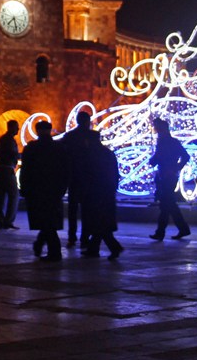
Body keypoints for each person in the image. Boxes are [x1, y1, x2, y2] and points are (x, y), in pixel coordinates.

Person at [19, 121, 69, 261]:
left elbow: (26, 170)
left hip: (37, 190)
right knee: (49, 219)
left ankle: (53, 251)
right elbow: (65, 170)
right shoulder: (58, 148)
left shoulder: (32, 148)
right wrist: (63, 187)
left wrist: (24, 187)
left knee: (45, 220)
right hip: (54, 190)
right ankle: (41, 244)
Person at [58, 110, 99, 247]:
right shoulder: (93, 136)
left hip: (74, 176)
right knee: (87, 209)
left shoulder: (69, 136)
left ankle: (72, 236)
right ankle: (85, 236)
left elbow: (63, 156)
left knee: (73, 209)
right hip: (88, 178)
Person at [149, 117, 190, 240]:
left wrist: (175, 167)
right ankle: (167, 231)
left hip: (167, 176)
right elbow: (185, 156)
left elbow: (161, 156)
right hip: (167, 175)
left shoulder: (165, 142)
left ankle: (167, 231)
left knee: (168, 204)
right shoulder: (169, 141)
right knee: (167, 205)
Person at [82, 138, 124, 260]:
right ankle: (93, 249)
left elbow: (90, 174)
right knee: (101, 223)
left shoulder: (92, 155)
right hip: (107, 192)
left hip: (97, 193)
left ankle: (114, 247)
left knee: (99, 223)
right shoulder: (107, 153)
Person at [0, 120, 21, 230]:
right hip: (7, 169)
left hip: (1, 169)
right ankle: (8, 220)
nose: (18, 129)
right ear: (11, 128)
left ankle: (1, 221)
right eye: (16, 127)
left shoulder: (3, 139)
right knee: (14, 195)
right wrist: (20, 155)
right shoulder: (9, 140)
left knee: (2, 196)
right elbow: (12, 154)